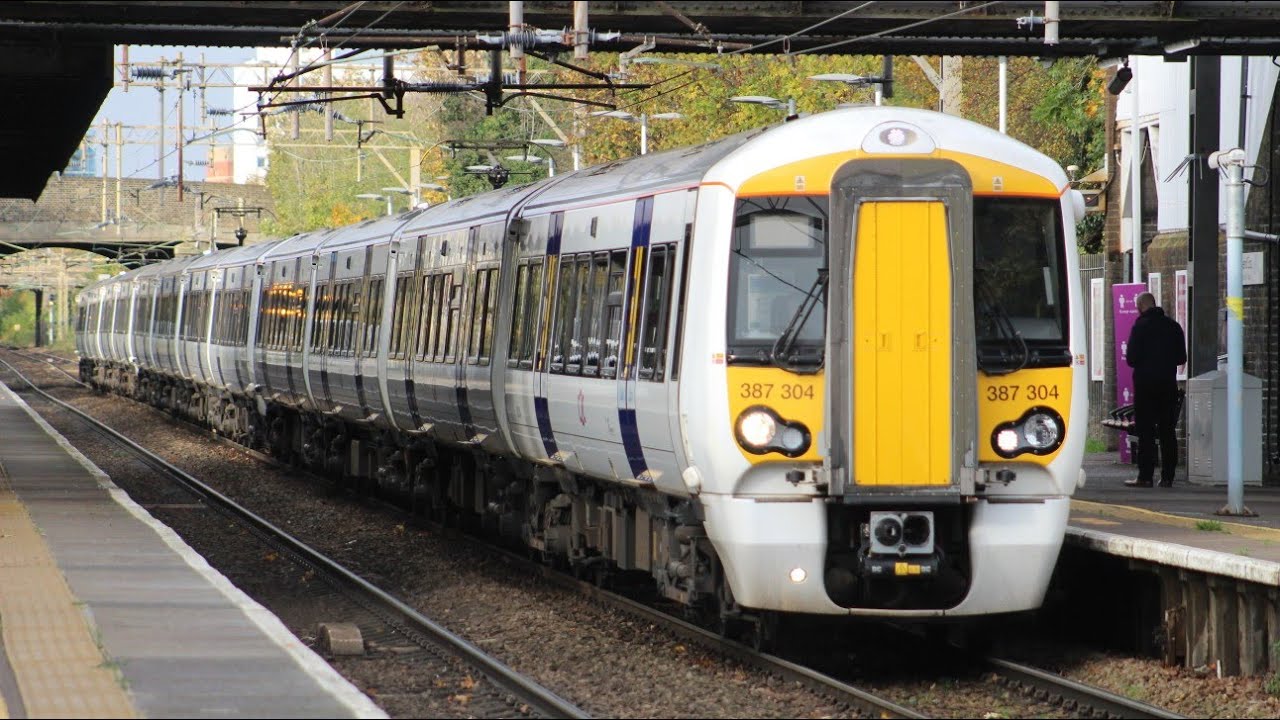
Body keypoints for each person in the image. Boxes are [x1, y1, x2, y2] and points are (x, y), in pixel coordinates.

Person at [1124, 292, 1187, 487]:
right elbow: (1181, 358)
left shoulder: (1140, 327)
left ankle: (1145, 476)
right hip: (1167, 385)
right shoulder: (1173, 326)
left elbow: (1132, 358)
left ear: (1140, 307)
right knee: (1168, 430)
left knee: (1146, 431)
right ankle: (1168, 476)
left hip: (1145, 386)